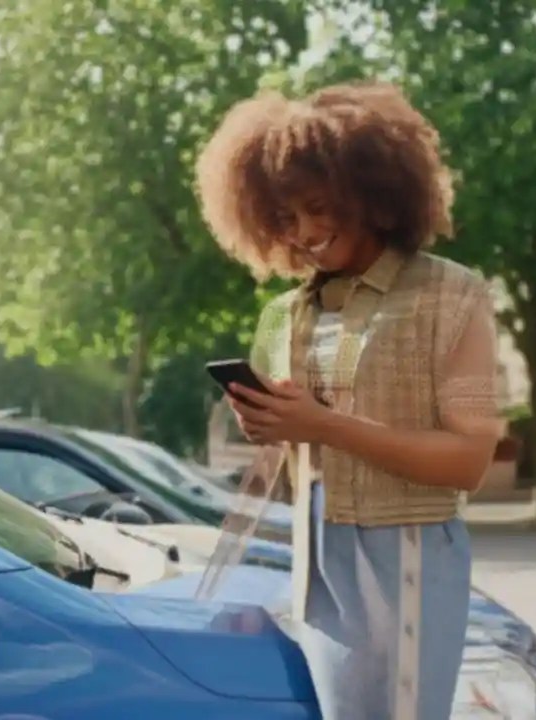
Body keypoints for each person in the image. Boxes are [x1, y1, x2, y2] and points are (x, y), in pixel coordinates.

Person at [194, 81, 504, 719]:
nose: (305, 231)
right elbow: (295, 444)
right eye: (286, 218)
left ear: (371, 191)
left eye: (319, 206)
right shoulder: (282, 315)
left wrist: (327, 426)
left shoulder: (454, 296)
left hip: (406, 551)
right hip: (314, 550)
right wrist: (270, 426)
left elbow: (470, 460)